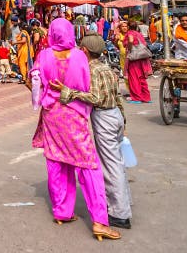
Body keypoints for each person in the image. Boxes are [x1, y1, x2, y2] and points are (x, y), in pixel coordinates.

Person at [31, 18, 119, 241]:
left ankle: (62, 211)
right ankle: (99, 221)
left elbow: (33, 81)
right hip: (74, 113)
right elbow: (87, 85)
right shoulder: (80, 56)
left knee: (57, 160)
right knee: (88, 163)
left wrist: (41, 97)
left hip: (52, 113)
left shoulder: (44, 55)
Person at [51, 33, 133, 230]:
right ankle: (124, 204)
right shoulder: (107, 68)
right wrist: (123, 120)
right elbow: (117, 96)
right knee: (117, 162)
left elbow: (95, 98)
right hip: (115, 115)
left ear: (85, 51)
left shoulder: (92, 70)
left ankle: (119, 214)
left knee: (110, 165)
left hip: (104, 117)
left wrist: (68, 92)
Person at [118, 21, 152, 104]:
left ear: (129, 27)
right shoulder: (139, 34)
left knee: (134, 78)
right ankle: (146, 97)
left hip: (134, 59)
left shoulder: (130, 33)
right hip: (142, 59)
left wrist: (129, 47)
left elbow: (130, 40)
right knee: (142, 78)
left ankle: (137, 98)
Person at [172, 13, 187, 115]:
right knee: (178, 82)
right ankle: (176, 107)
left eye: (186, 20)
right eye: (182, 21)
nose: (184, 22)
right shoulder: (177, 31)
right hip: (181, 57)